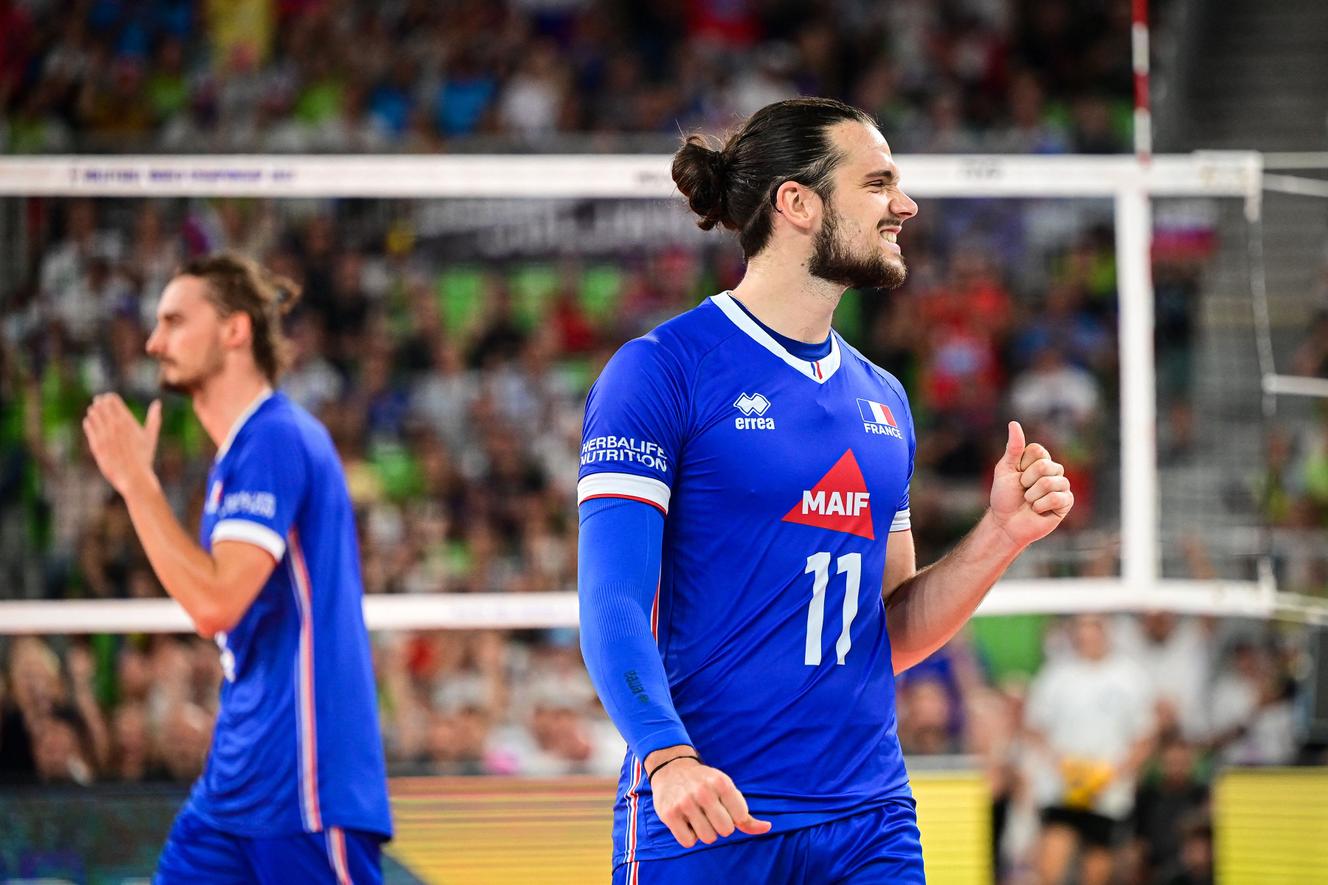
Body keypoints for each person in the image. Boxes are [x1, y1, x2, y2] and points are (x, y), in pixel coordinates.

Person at [577, 97, 1075, 884]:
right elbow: (610, 604)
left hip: (868, 818)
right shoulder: (662, 370)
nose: (904, 205)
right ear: (797, 202)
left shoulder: (884, 397)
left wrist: (1000, 534)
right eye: (878, 183)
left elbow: (892, 630)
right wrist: (667, 756)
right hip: (711, 809)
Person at [82, 253, 392, 882]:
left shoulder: (274, 437)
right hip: (238, 779)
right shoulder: (239, 455)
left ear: (235, 330)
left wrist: (137, 483)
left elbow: (215, 602)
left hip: (304, 782)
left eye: (173, 321)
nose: (153, 341)